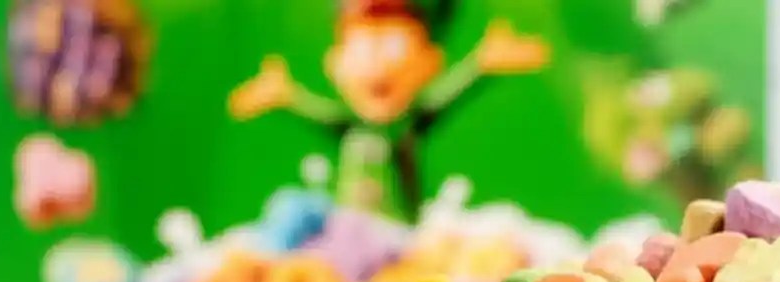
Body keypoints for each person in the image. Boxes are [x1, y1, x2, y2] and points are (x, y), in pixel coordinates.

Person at [229, 0, 548, 221]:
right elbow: (318, 114)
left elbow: (450, 97)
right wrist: (286, 96)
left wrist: (482, 67)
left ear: (429, 60)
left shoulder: (408, 124)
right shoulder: (351, 127)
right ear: (335, 62)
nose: (376, 65)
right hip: (347, 232)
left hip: (399, 231)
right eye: (363, 47)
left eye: (394, 45)